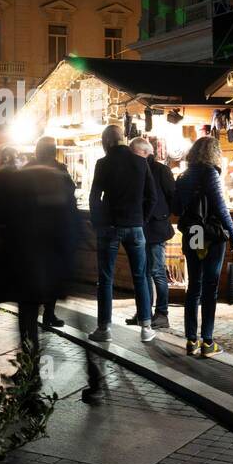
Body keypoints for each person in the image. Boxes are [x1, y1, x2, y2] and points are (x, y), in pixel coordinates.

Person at [0, 136, 79, 362]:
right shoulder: (61, 176)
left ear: (37, 152)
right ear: (54, 152)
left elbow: (7, 214)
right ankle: (48, 318)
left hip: (26, 255)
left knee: (27, 311)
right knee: (44, 296)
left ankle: (30, 362)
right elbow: (71, 215)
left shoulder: (22, 175)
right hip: (52, 255)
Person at [88, 123, 156, 343]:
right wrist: (141, 220)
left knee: (105, 279)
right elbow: (152, 197)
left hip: (109, 227)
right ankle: (146, 327)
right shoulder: (140, 162)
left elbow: (94, 198)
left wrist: (99, 223)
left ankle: (104, 328)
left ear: (106, 141)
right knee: (140, 277)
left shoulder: (102, 163)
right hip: (135, 227)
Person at [174, 136, 233, 357]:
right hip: (211, 235)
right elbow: (222, 209)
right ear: (213, 153)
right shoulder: (210, 173)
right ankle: (208, 341)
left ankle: (191, 340)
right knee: (210, 287)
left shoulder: (184, 176)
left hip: (193, 233)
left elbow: (177, 207)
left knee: (194, 286)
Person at [125, 138, 175, 331]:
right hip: (140, 225)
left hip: (155, 226)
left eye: (133, 153)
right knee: (143, 272)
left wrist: (161, 215)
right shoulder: (134, 169)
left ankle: (162, 314)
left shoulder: (161, 170)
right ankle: (144, 312)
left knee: (156, 271)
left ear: (146, 152)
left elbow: (171, 195)